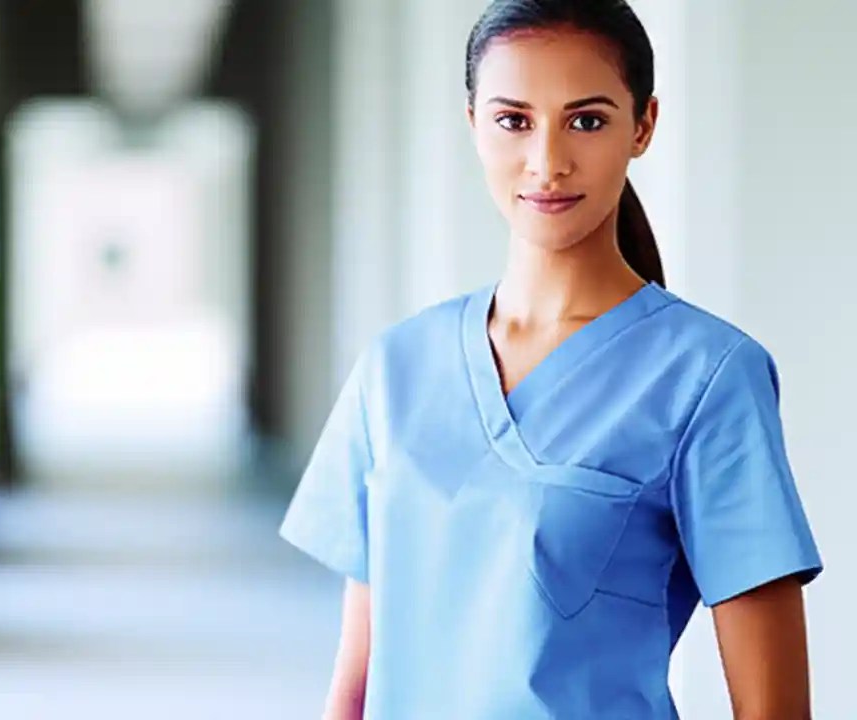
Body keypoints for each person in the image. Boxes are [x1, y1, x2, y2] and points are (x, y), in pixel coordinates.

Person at [277, 1, 824, 717]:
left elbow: (773, 708)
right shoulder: (397, 367)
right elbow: (357, 681)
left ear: (644, 126)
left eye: (587, 120)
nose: (548, 161)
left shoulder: (708, 375)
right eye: (514, 120)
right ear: (473, 124)